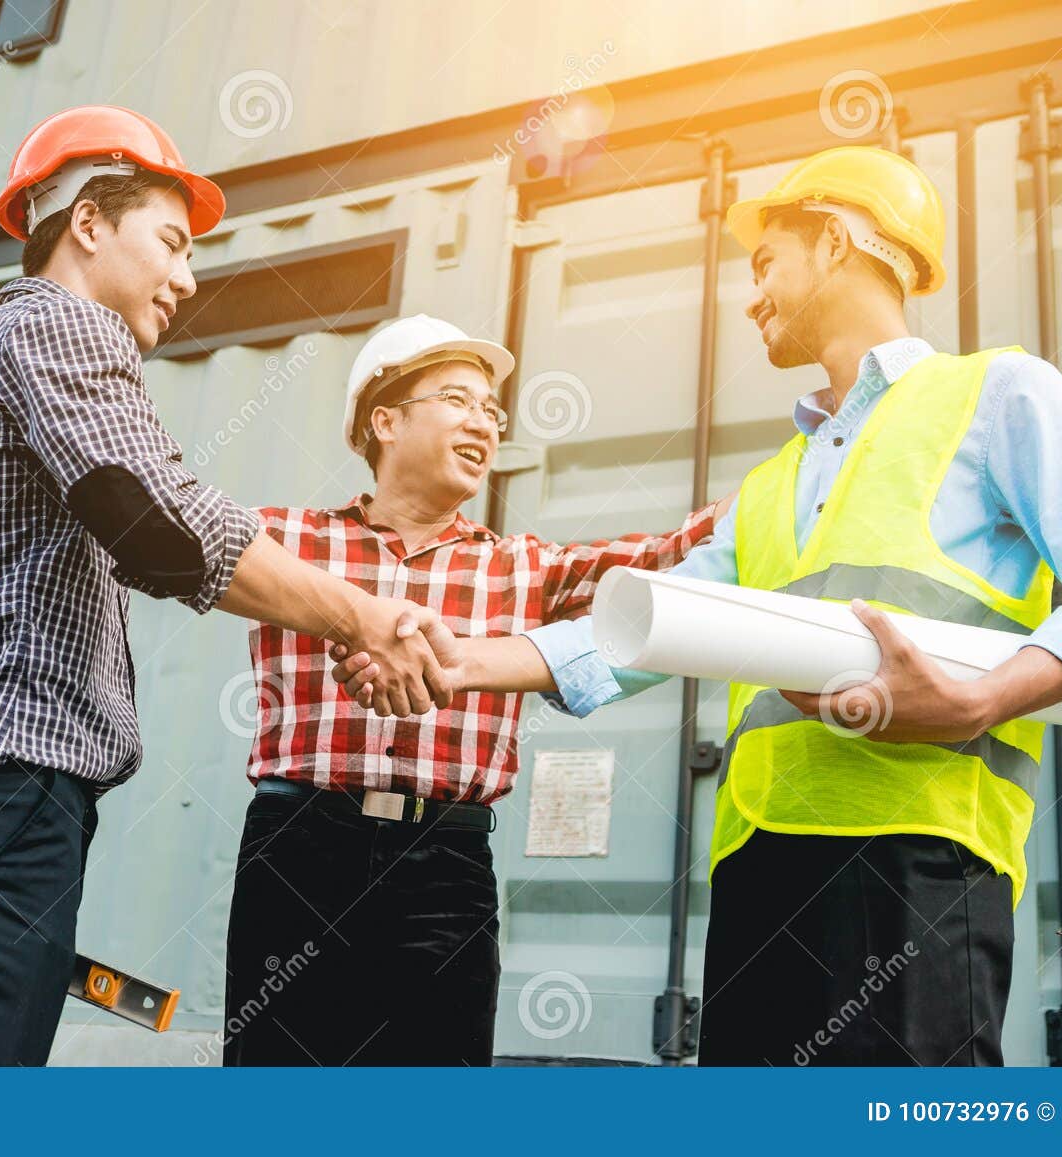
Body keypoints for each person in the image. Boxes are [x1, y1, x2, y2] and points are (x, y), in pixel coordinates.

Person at [334, 147, 1062, 1066]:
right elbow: (646, 626)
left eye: (766, 262)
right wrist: (461, 659)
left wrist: (980, 699)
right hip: (757, 870)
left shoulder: (998, 394)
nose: (752, 295)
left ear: (836, 241)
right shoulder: (772, 483)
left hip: (921, 859)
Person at [0, 106, 453, 1066]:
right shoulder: (57, 326)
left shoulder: (2, 359)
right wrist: (365, 616)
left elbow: (143, 525)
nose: (187, 278)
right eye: (171, 241)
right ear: (87, 222)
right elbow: (159, 523)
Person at [222, 314, 720, 1065]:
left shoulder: (522, 566)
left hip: (446, 865)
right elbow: (179, 542)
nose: (483, 422)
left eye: (492, 410)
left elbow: (666, 556)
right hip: (299, 850)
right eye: (457, 399)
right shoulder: (284, 540)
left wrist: (777, 493)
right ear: (385, 420)